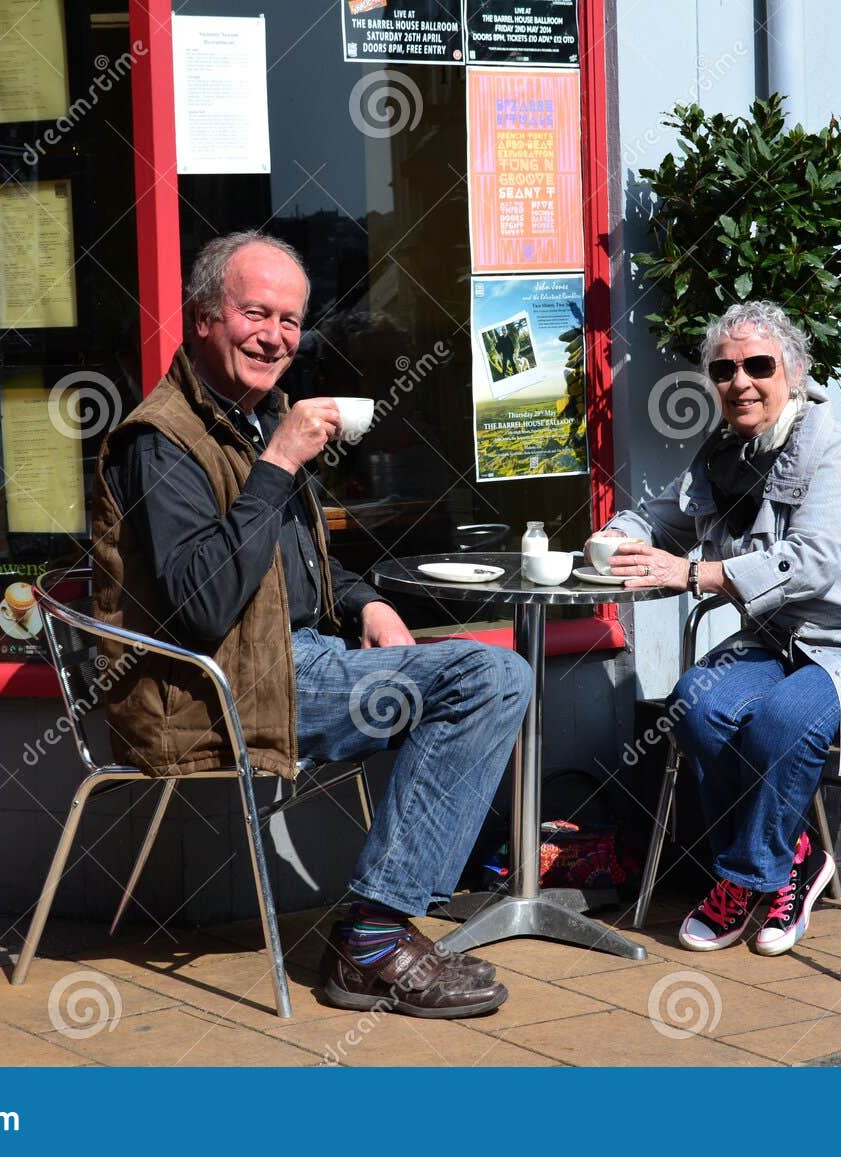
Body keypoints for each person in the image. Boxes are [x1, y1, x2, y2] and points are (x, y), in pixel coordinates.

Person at [90, 231, 533, 1018]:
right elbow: (202, 604)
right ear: (202, 319)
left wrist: (366, 601)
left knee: (478, 674)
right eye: (254, 312)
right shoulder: (163, 442)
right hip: (220, 686)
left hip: (297, 660)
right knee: (489, 674)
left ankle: (381, 924)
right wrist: (280, 464)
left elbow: (291, 566)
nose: (275, 336)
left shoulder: (250, 420)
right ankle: (372, 936)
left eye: (290, 320)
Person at [599, 301, 841, 956]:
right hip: (782, 643)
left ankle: (746, 879)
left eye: (758, 365)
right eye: (724, 368)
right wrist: (613, 541)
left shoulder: (831, 452)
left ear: (792, 372)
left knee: (782, 720)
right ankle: (794, 856)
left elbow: (810, 563)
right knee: (696, 704)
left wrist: (693, 574)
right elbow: (656, 519)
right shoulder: (721, 456)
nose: (741, 381)